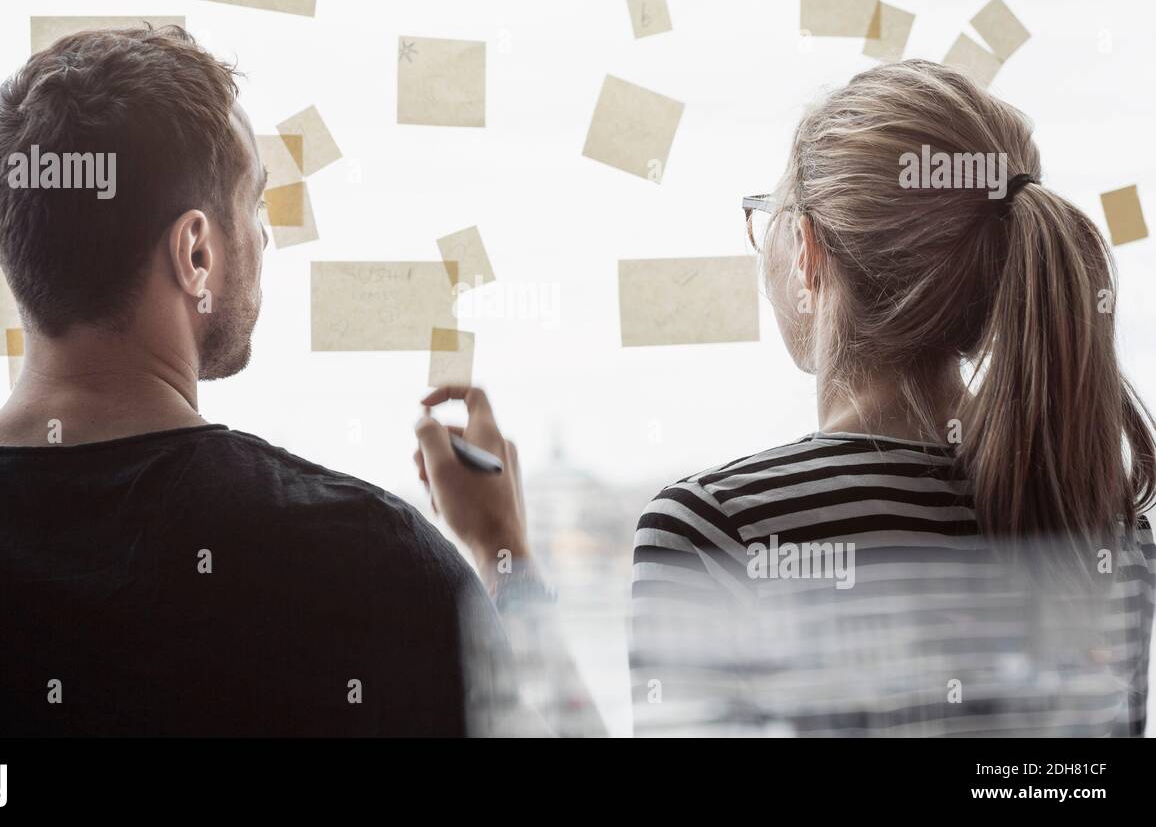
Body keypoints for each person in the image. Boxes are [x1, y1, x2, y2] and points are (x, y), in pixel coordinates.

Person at [419, 60, 1156, 736]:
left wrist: (502, 548)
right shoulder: (1108, 527)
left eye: (766, 217)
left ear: (807, 251)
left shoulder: (721, 529)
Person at [0, 25, 521, 736]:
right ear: (196, 251)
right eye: (256, 203)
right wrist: (503, 549)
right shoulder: (376, 564)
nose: (264, 238)